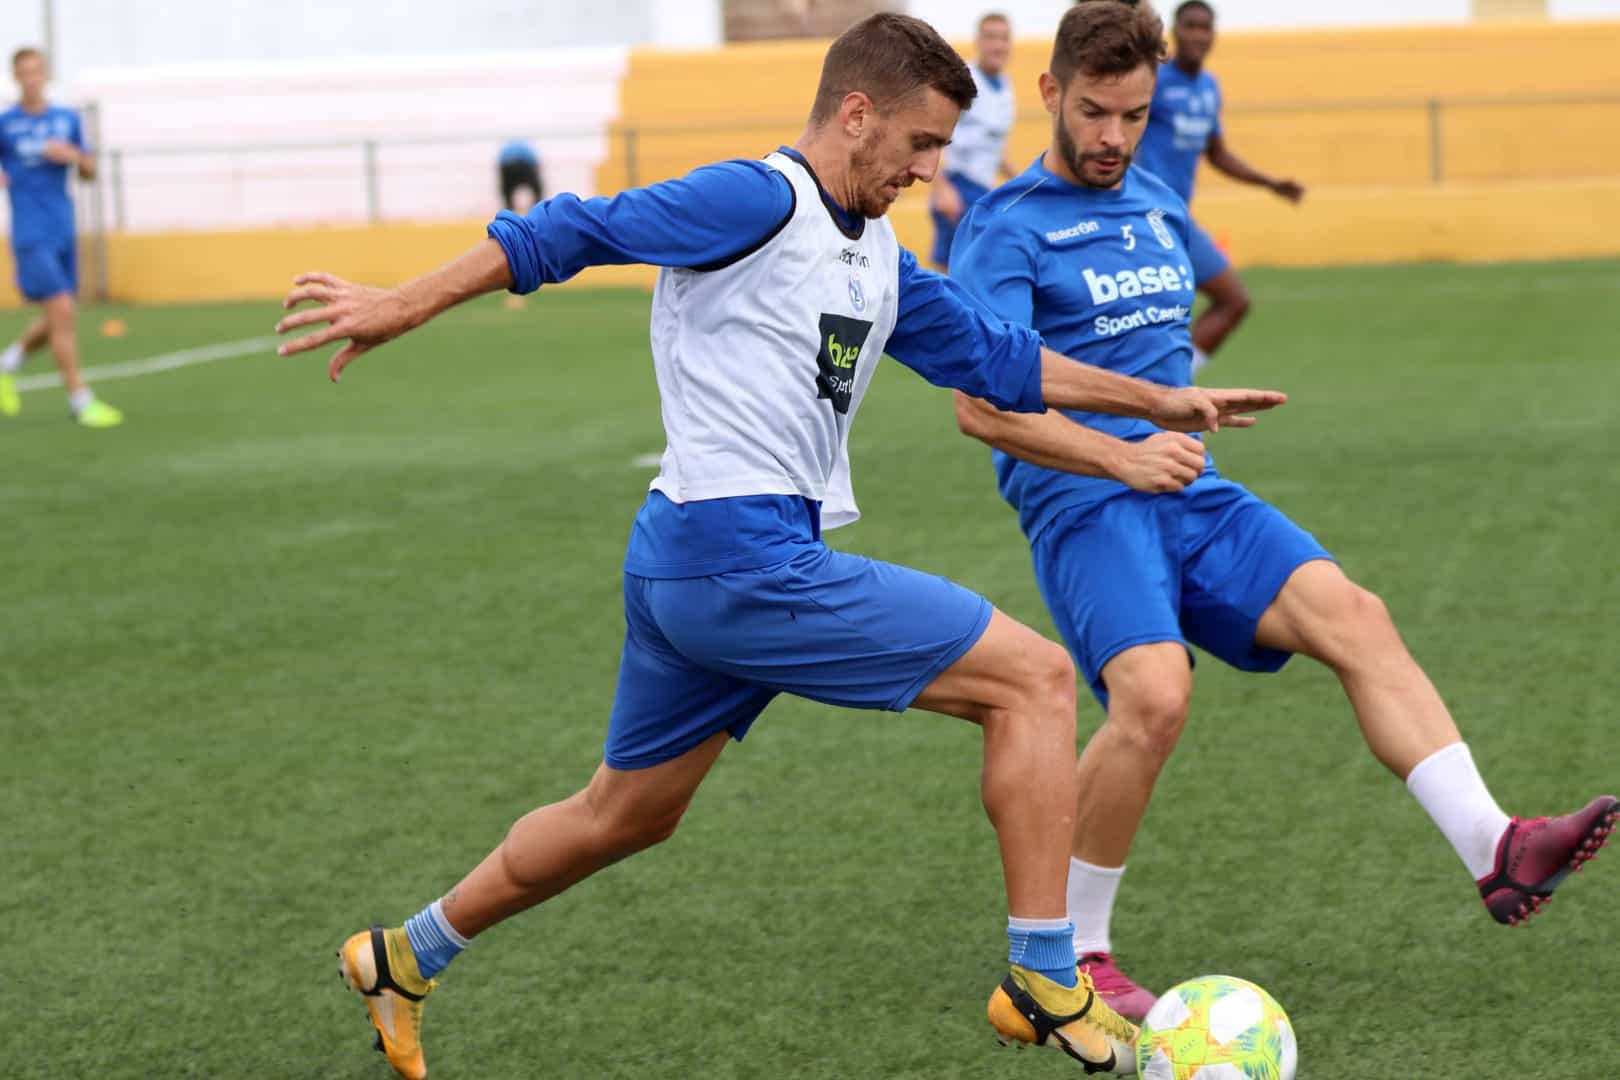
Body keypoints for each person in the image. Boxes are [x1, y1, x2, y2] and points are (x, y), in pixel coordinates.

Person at [274, 14, 1287, 1078]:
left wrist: (1158, 400)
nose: (929, 170)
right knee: (1032, 681)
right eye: (919, 143)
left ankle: (404, 955)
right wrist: (400, 304)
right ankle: (1045, 975)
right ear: (855, 114)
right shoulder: (758, 200)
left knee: (623, 814)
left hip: (688, 562)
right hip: (738, 556)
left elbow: (1000, 361)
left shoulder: (879, 257)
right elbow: (565, 232)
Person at [949, 1, 1615, 1023]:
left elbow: (1215, 307)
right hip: (1088, 500)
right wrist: (1124, 453)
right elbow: (982, 407)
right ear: (1051, 93)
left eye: (1132, 115)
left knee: (1356, 615)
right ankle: (1072, 954)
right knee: (1155, 696)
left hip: (1192, 489)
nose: (1113, 137)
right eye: (1093, 112)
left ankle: (1497, 847)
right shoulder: (1005, 227)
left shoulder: (1159, 204)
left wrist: (1187, 400)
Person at [1131, 1, 1303, 375]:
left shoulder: (1209, 87)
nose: (1197, 35)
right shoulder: (1154, 80)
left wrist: (1269, 183)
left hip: (1179, 219)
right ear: (1175, 31)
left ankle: (1174, 382)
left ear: (1213, 35)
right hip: (1144, 215)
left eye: (1204, 27)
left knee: (1234, 301)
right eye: (1189, 26)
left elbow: (1217, 152)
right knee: (1144, 316)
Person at [0, 46, 122, 427]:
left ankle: (6, 364)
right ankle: (79, 400)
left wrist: (72, 155)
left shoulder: (66, 119)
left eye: (36, 70)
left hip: (62, 229)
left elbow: (90, 171)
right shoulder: (5, 124)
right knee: (62, 311)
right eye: (24, 72)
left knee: (61, 313)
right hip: (29, 232)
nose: (30, 78)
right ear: (15, 77)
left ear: (46, 74)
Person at [927, 12, 1015, 271]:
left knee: (979, 270)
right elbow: (930, 134)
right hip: (958, 186)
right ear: (978, 41)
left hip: (983, 190)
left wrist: (1021, 180)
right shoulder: (963, 81)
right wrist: (942, 188)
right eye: (990, 37)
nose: (997, 45)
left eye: (1003, 38)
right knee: (956, 271)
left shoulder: (1005, 86)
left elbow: (991, 145)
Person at [496, 139, 543, 213]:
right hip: (525, 166)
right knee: (537, 189)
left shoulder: (507, 150)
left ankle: (508, 210)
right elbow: (536, 166)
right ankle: (538, 209)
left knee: (506, 191)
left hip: (509, 167)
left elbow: (500, 167)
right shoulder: (527, 149)